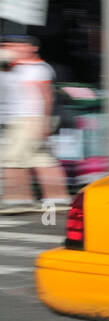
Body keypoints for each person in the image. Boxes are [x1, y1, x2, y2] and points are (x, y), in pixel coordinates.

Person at [1, 36, 69, 213]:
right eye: (5, 45)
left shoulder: (36, 68)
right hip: (26, 120)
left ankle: (17, 200)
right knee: (42, 160)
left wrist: (44, 122)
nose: (8, 48)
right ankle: (57, 199)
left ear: (31, 48)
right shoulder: (14, 67)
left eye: (14, 45)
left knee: (13, 160)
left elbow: (47, 96)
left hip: (28, 119)